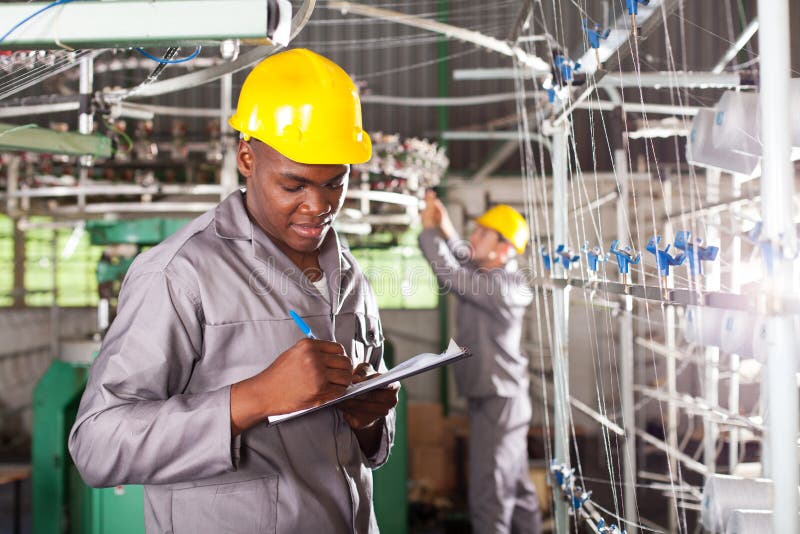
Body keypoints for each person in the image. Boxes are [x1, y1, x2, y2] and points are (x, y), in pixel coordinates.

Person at [69, 48, 398, 534]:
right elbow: (98, 446)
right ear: (247, 158)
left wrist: (369, 419)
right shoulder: (180, 275)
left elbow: (365, 452)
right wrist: (254, 398)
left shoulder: (347, 273)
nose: (319, 206)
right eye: (295, 185)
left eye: (335, 184)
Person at [418, 191, 541, 534]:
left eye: (482, 234)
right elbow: (467, 262)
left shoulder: (507, 286)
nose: (473, 238)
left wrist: (429, 231)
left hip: (498, 402)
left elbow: (453, 275)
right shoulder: (492, 272)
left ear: (504, 248)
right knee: (514, 489)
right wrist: (445, 228)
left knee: (490, 496)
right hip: (497, 398)